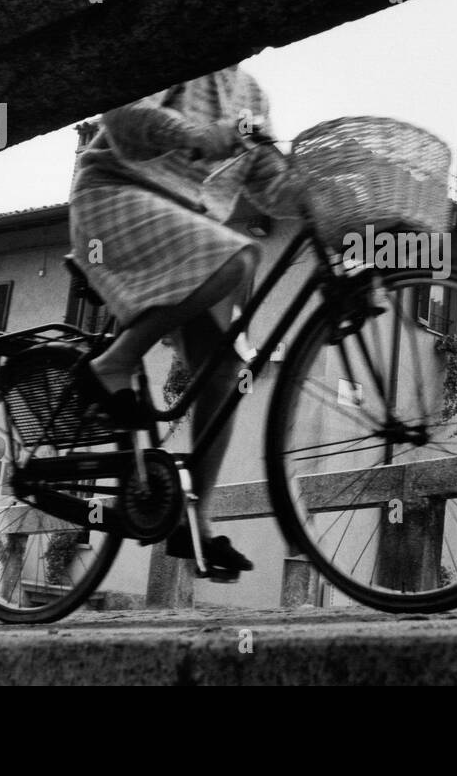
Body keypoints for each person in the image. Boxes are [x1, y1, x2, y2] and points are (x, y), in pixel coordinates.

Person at [68, 64, 300, 580]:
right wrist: (197, 135)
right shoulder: (185, 55)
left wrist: (316, 192)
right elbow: (124, 114)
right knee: (240, 258)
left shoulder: (252, 94)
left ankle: (197, 519)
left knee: (224, 372)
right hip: (115, 195)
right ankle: (115, 362)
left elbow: (269, 185)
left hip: (189, 230)